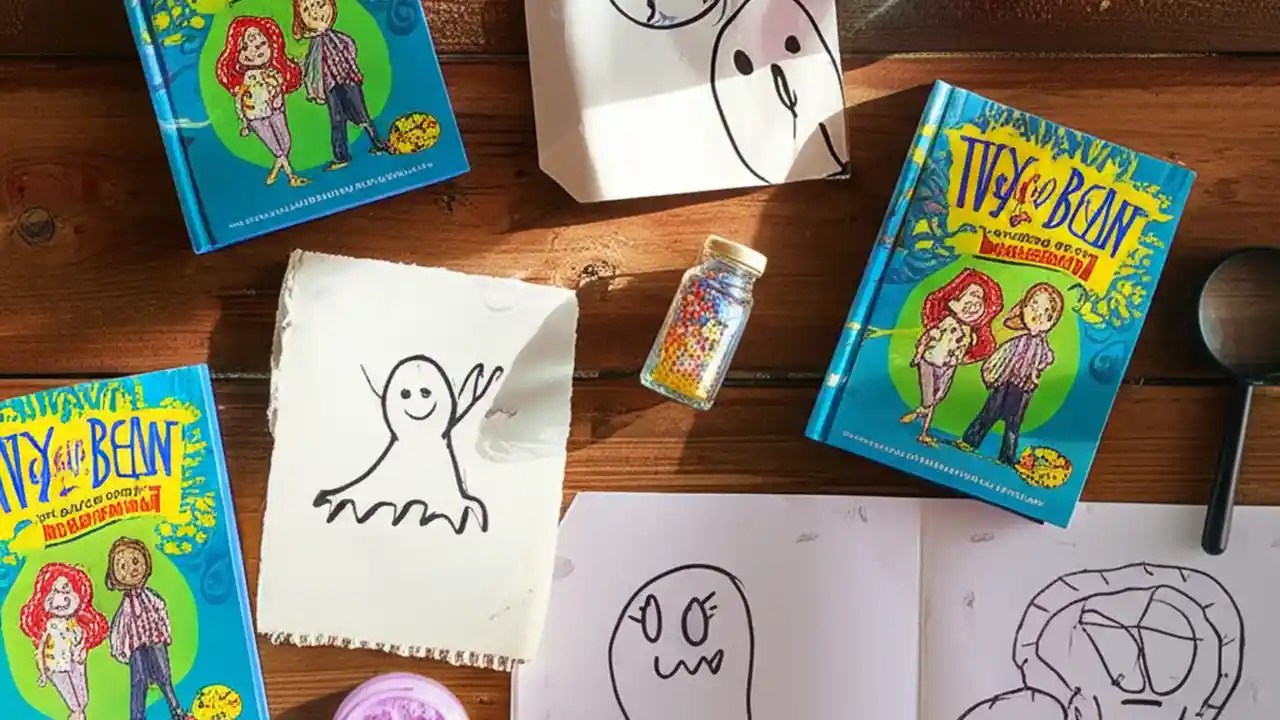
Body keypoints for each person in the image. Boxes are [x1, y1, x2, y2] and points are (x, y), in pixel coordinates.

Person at [958, 282, 1064, 465]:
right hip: (1004, 383)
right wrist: (992, 371)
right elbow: (1000, 357)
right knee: (989, 413)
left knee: (1013, 424)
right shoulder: (1017, 341)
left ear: (1052, 320)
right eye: (1033, 306)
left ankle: (1006, 457)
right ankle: (970, 441)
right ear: (1023, 309)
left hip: (1022, 388)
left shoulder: (1042, 347)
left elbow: (1047, 359)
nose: (1038, 314)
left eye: (1047, 313)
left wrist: (1036, 374)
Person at [901, 268, 1002, 446]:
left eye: (980, 299)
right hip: (929, 361)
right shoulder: (946, 322)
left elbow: (971, 351)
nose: (974, 303)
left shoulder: (971, 333)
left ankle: (922, 424)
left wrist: (958, 359)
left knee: (937, 399)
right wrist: (918, 354)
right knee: (929, 399)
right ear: (954, 302)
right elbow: (928, 336)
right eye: (970, 294)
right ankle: (922, 421)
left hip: (948, 367)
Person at [292, 0, 389, 170]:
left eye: (320, 5)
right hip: (330, 86)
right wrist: (301, 65)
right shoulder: (315, 44)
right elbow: (312, 65)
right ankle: (341, 156)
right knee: (337, 120)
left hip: (347, 80)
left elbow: (350, 48)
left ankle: (378, 143)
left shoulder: (337, 38)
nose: (315, 12)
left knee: (361, 114)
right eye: (307, 10)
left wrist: (348, 71)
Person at [215, 16, 309, 187]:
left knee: (286, 142)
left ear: (272, 44)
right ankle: (292, 177)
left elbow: (281, 85)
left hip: (276, 110)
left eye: (260, 45)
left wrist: (276, 84)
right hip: (255, 116)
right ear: (236, 52)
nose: (253, 52)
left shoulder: (273, 72)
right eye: (245, 48)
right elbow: (238, 99)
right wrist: (243, 122)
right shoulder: (246, 78)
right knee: (275, 146)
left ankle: (276, 170)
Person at [105, 537, 185, 720]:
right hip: (135, 646)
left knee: (164, 676)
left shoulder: (152, 598)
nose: (132, 570)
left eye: (135, 562)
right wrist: (120, 649)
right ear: (114, 575)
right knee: (139, 680)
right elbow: (118, 629)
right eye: (122, 567)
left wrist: (165, 634)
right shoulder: (125, 607)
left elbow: (161, 612)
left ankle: (176, 710)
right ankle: (137, 717)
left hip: (155, 639)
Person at [18, 563, 109, 720]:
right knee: (71, 696)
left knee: (81, 695)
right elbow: (41, 648)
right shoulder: (49, 626)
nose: (60, 597)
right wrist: (42, 670)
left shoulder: (76, 624)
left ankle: (78, 712)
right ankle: (76, 712)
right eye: (54, 590)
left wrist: (82, 649)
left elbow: (81, 640)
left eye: (66, 589)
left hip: (74, 661)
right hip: (54, 665)